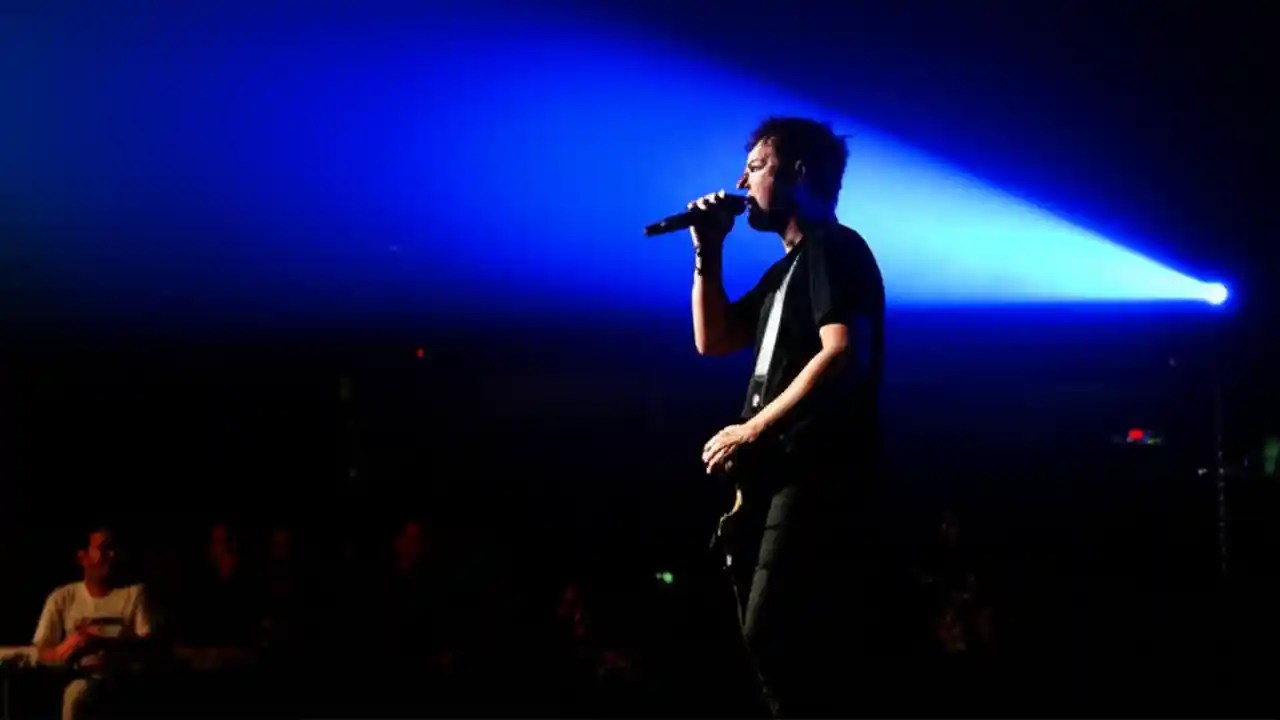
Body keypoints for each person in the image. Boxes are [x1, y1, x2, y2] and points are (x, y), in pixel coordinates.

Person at [689, 116, 885, 716]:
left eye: (755, 166)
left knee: (776, 635)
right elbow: (714, 339)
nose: (741, 183)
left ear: (798, 171)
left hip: (817, 474)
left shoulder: (835, 247)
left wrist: (752, 428)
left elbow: (842, 349)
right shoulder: (783, 272)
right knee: (766, 643)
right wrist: (709, 249)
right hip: (776, 478)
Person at [32, 525, 153, 720]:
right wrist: (63, 650)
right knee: (77, 693)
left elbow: (149, 644)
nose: (112, 555)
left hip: (125, 683)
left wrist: (104, 644)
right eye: (104, 548)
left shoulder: (135, 593)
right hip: (79, 680)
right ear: (83, 557)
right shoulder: (62, 597)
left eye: (114, 548)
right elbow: (42, 649)